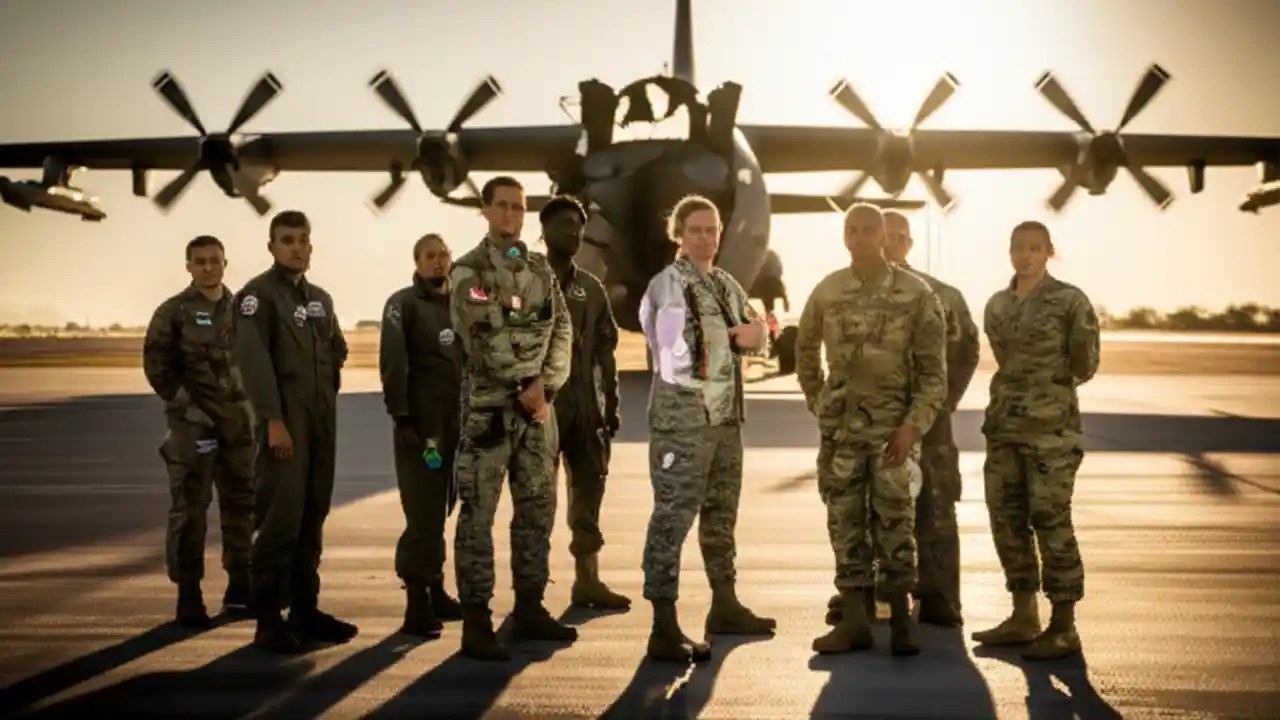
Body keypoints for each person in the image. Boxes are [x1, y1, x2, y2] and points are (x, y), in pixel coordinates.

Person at [795, 202, 947, 657]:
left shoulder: (916, 294)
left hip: (892, 436)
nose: (859, 237)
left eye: (869, 230)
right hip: (840, 434)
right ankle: (855, 620)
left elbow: (933, 375)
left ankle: (902, 620)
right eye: (852, 230)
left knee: (896, 523)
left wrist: (911, 428)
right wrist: (818, 400)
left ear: (885, 236)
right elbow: (803, 348)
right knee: (845, 524)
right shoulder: (828, 290)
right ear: (845, 236)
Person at [638, 194, 776, 664]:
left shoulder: (723, 282)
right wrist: (739, 336)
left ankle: (725, 604)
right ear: (678, 234)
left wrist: (752, 335)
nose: (705, 237)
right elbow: (680, 348)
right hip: (683, 425)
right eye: (695, 229)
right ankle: (662, 624)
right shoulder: (667, 285)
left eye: (712, 229)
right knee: (672, 518)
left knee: (721, 516)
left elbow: (759, 334)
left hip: (723, 421)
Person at [826, 210, 979, 629]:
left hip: (929, 426)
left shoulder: (943, 296)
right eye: (883, 235)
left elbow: (967, 352)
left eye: (898, 236)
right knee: (865, 510)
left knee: (936, 508)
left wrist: (937, 407)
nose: (889, 243)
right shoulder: (849, 292)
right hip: (871, 422)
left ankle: (940, 597)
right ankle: (864, 595)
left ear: (908, 243)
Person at [450, 176, 577, 661]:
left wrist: (547, 384)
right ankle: (476, 620)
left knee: (537, 512)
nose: (510, 215)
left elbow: (560, 327)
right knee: (478, 516)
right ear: (485, 210)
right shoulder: (468, 272)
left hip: (538, 412)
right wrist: (526, 382)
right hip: (490, 415)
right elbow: (484, 335)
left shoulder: (540, 270)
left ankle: (530, 606)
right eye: (502, 206)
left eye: (518, 208)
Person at [971, 220, 1100, 661]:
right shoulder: (996, 306)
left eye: (1034, 248)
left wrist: (1045, 391)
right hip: (1005, 427)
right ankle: (1023, 615)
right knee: (1005, 518)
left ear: (1049, 252)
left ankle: (1063, 625)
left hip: (1051, 433)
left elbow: (1085, 364)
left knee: (1050, 519)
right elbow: (1004, 358)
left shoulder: (1069, 302)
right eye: (1018, 248)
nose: (1025, 256)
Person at [234, 210, 356, 654]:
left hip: (321, 422)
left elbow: (337, 348)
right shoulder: (257, 297)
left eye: (304, 240)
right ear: (271, 246)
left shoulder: (319, 298)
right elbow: (253, 361)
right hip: (285, 425)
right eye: (287, 240)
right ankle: (268, 620)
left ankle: (305, 611)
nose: (297, 247)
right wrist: (273, 420)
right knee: (280, 521)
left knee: (312, 517)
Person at [142, 235, 256, 627]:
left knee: (242, 509)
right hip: (193, 430)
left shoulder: (244, 310)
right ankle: (188, 594)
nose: (208, 267)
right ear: (188, 266)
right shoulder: (173, 312)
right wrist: (191, 411)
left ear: (226, 263)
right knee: (190, 512)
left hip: (240, 428)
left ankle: (241, 586)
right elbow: (158, 369)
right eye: (200, 261)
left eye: (215, 261)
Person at [539, 195, 631, 610]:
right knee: (536, 500)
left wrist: (610, 407)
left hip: (583, 411)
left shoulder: (590, 289)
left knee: (589, 491)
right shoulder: (526, 281)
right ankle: (532, 591)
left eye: (579, 226)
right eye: (564, 226)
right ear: (544, 231)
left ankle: (588, 580)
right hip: (539, 410)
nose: (574, 233)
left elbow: (606, 353)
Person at [379, 232, 465, 637]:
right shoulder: (403, 305)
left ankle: (436, 589)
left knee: (443, 502)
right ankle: (416, 603)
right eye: (430, 256)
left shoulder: (461, 303)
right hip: (425, 433)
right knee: (424, 508)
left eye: (443, 254)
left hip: (454, 428)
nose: (438, 261)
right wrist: (402, 418)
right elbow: (393, 362)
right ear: (416, 261)